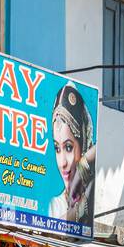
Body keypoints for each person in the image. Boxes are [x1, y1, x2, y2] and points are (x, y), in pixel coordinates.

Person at [48, 86, 95, 227]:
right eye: (57, 148)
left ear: (83, 144)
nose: (62, 163)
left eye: (68, 147)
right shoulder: (54, 206)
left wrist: (85, 162)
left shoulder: (95, 192)